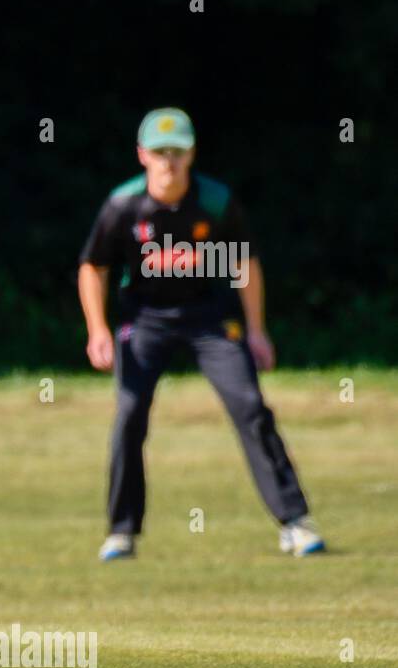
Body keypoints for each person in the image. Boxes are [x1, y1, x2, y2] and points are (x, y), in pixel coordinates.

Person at [77, 108, 325, 561]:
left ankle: (295, 523)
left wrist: (256, 330)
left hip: (209, 317)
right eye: (159, 152)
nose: (168, 161)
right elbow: (94, 267)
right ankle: (121, 531)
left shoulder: (215, 202)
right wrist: (98, 329)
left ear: (192, 153)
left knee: (251, 407)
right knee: (130, 413)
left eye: (177, 152)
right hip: (145, 319)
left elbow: (245, 264)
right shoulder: (124, 206)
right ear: (142, 155)